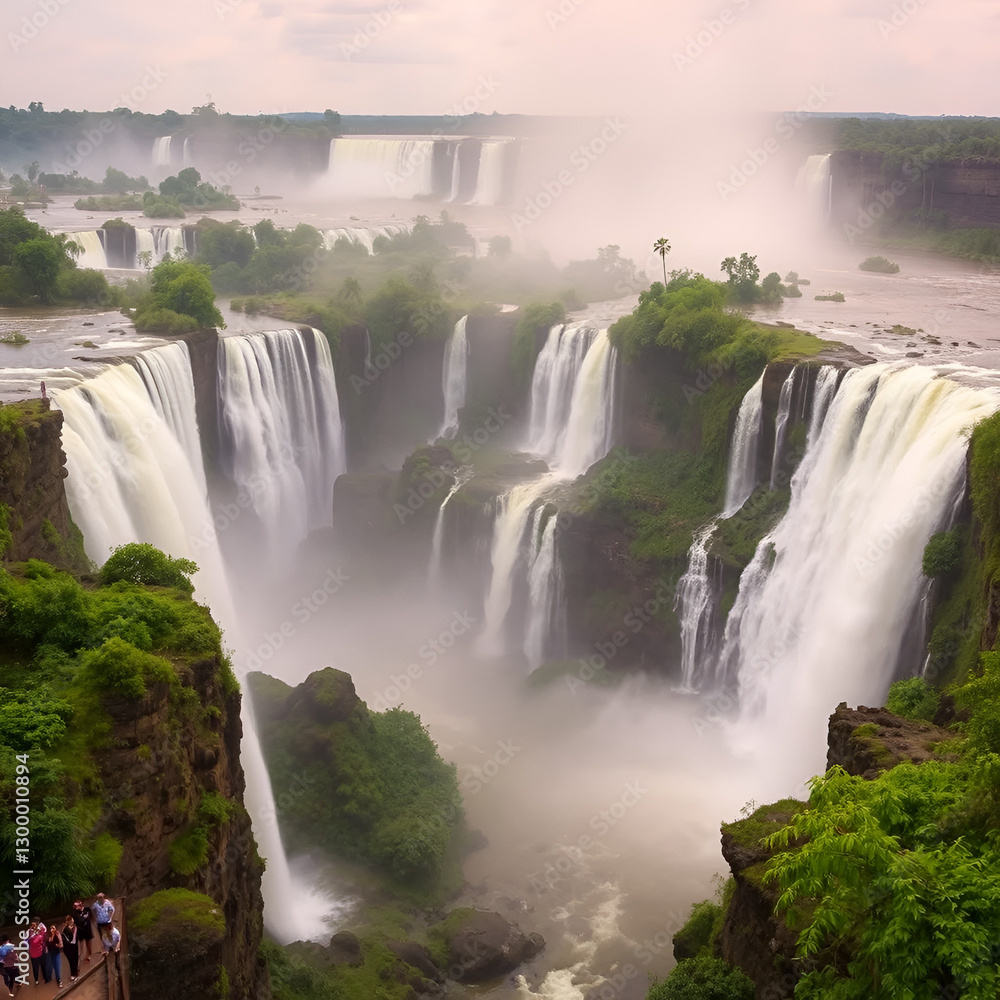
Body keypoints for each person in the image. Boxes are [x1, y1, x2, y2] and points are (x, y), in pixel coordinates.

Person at [27, 920, 47, 985]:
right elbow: (26, 940)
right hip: (34, 953)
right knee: (36, 967)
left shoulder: (39, 931)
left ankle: (43, 977)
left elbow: (44, 934)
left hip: (40, 952)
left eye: (35, 925)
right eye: (33, 925)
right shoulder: (29, 932)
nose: (34, 926)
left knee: (42, 966)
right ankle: (37, 979)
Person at [62, 914, 80, 982]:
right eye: (70, 921)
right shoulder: (66, 929)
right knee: (71, 961)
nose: (72, 922)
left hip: (75, 945)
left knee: (76, 958)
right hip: (68, 947)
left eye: (72, 920)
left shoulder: (75, 927)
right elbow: (66, 940)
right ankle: (73, 974)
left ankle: (75, 972)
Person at [46, 923, 63, 988]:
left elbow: (61, 944)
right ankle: (51, 977)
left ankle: (58, 979)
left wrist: (57, 945)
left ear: (56, 929)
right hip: (50, 953)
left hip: (56, 952)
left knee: (57, 966)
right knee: (52, 966)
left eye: (53, 928)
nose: (51, 930)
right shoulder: (49, 935)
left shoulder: (57, 935)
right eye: (51, 928)